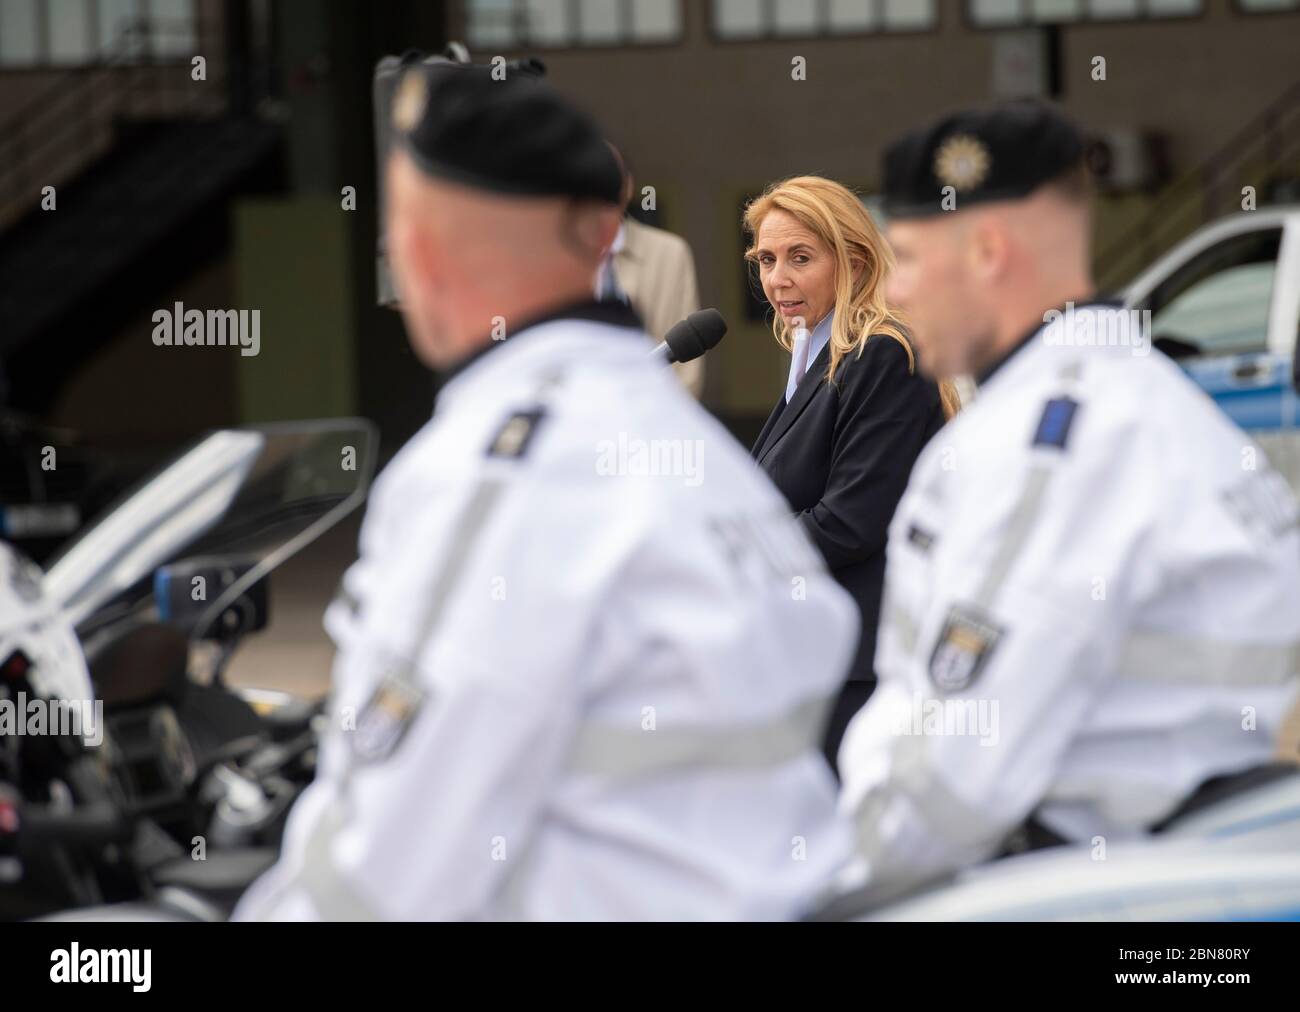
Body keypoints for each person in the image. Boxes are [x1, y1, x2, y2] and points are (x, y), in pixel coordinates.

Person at [234, 63, 857, 921]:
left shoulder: (490, 472)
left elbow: (385, 860)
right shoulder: (696, 452)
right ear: (602, 239)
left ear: (417, 248)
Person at [835, 102, 1300, 906]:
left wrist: (818, 887)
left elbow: (952, 773)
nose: (893, 293)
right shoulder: (1144, 397)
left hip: (1091, 888)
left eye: (905, 258)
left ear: (985, 250)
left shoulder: (1045, 447)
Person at [745, 176, 956, 774]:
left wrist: (737, 558)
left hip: (860, 665)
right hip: (817, 658)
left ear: (855, 262)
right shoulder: (818, 356)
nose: (777, 278)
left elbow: (848, 522)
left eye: (800, 258)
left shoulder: (881, 354)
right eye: (766, 259)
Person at [598, 148, 705, 398]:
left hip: (647, 415)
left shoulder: (668, 252)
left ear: (628, 186)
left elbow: (686, 366)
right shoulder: (547, 256)